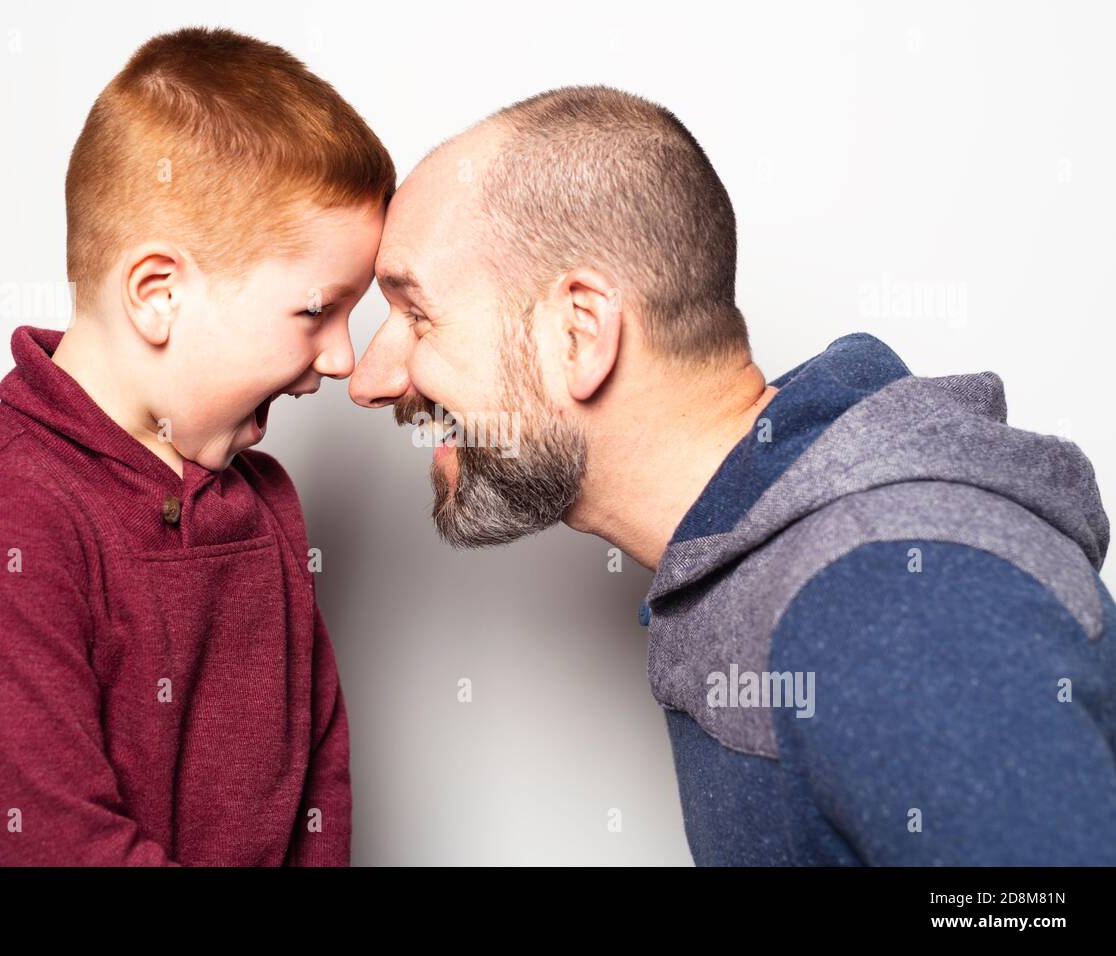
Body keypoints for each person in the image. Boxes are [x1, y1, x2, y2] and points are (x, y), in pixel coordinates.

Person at [349, 85, 1116, 864]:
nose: (369, 378)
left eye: (416, 314)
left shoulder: (887, 597)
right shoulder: (760, 559)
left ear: (580, 331)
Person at [0, 27, 394, 865]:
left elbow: (319, 775)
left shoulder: (264, 501)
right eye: (316, 312)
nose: (343, 360)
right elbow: (59, 840)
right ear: (158, 296)